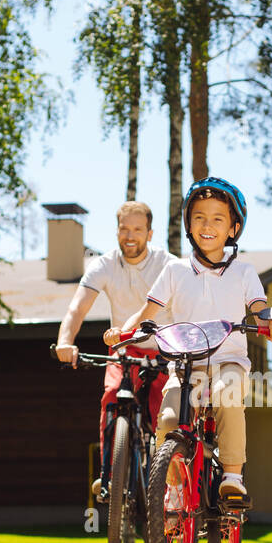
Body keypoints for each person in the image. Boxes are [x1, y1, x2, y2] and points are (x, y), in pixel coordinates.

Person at [104, 177, 272, 499]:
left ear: (233, 229)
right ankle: (175, 486)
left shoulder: (243, 272)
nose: (207, 225)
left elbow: (259, 307)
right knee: (169, 418)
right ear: (189, 224)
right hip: (184, 366)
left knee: (226, 396)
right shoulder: (175, 271)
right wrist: (124, 330)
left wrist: (271, 321)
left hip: (228, 361)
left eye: (218, 219)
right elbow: (147, 310)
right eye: (199, 217)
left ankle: (232, 475)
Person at [54, 201, 173, 499]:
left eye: (137, 229)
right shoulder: (104, 265)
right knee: (110, 397)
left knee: (164, 415)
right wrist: (65, 341)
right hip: (123, 352)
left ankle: (169, 485)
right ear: (117, 231)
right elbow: (76, 309)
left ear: (149, 232)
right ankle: (108, 475)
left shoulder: (167, 264)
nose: (130, 236)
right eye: (124, 229)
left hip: (163, 352)